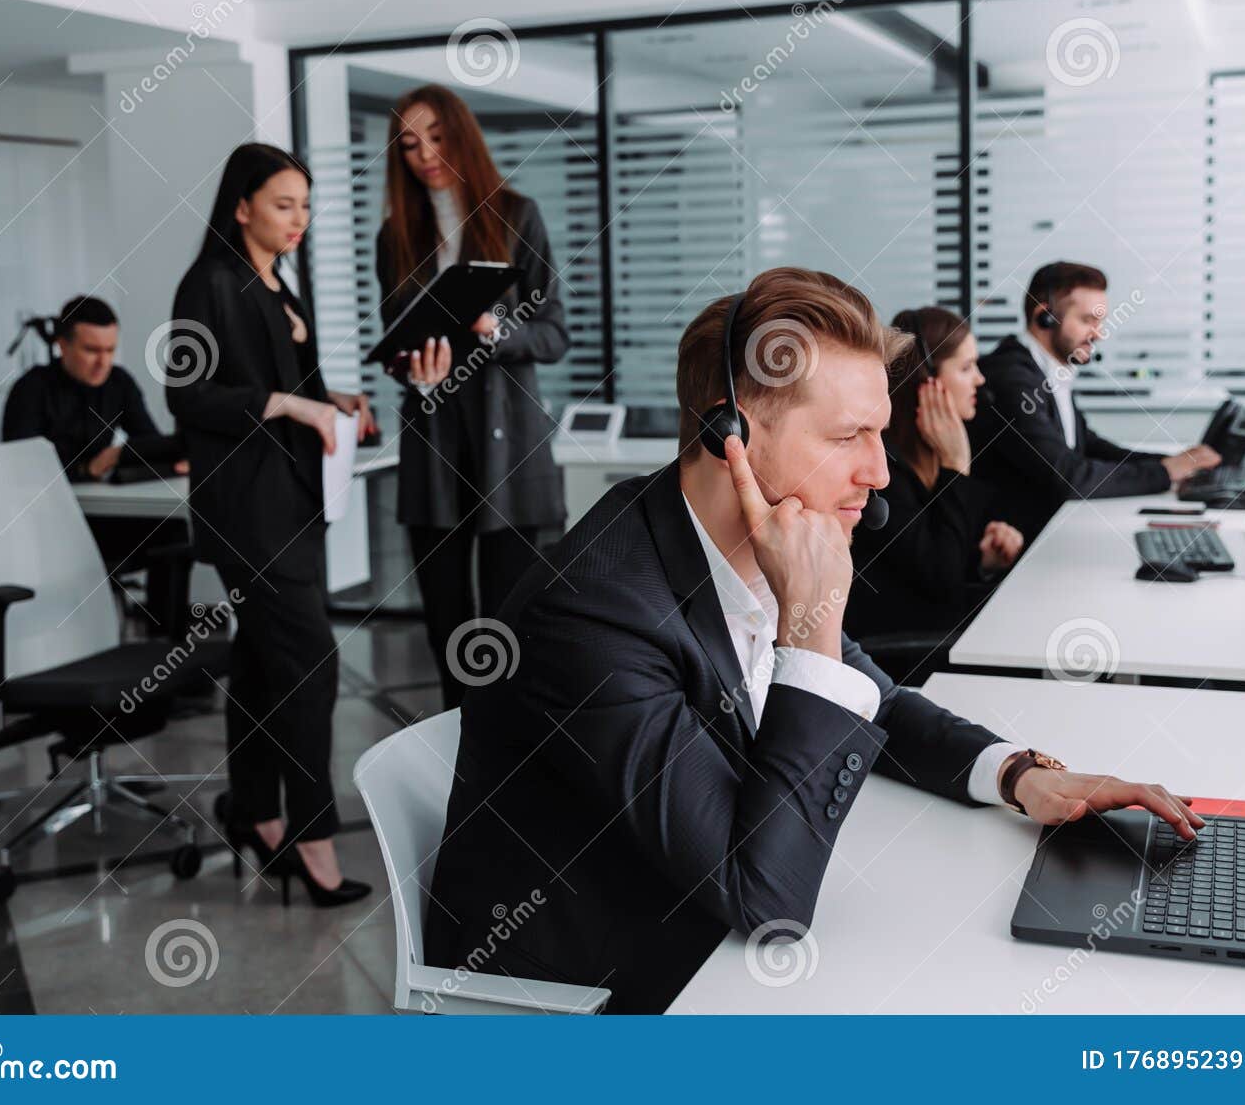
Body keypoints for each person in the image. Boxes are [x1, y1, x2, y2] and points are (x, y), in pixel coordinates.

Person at [423, 267, 1205, 1013]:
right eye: (849, 436)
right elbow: (764, 897)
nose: (880, 472)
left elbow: (872, 697)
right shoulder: (592, 611)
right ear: (729, 432)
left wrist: (1019, 774)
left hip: (693, 907)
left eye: (882, 434)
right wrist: (814, 621)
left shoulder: (743, 537)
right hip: (595, 980)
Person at [167, 143, 377, 908]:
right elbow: (186, 398)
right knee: (313, 662)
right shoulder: (210, 284)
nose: (300, 219)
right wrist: (288, 405)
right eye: (284, 204)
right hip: (248, 516)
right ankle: (309, 836)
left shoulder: (278, 281)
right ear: (241, 206)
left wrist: (339, 401)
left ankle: (255, 814)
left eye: (306, 205)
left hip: (293, 505)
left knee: (261, 669)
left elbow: (300, 382)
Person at [374, 83, 568, 710]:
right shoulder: (395, 237)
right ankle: (458, 751)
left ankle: (512, 756)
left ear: (463, 136)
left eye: (436, 136)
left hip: (507, 440)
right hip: (433, 439)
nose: (424, 153)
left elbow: (555, 333)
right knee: (447, 617)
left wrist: (497, 331)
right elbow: (396, 342)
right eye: (408, 144)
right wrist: (413, 369)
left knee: (513, 621)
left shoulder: (517, 215)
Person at [968, 261, 1222, 539]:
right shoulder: (1011, 378)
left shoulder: (1048, 369)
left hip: (1051, 530)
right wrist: (1163, 472)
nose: (1098, 333)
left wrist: (1171, 462)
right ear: (1045, 316)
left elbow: (1086, 446)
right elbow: (1069, 476)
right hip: (1014, 547)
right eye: (1087, 320)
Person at [2, 294, 190, 636]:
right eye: (91, 351)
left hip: (102, 517)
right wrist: (86, 469)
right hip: (50, 524)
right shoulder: (31, 390)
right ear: (62, 345)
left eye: (110, 350)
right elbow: (21, 469)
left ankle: (166, 650)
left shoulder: (119, 382)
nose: (103, 362)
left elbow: (150, 438)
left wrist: (129, 454)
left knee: (174, 530)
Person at [845, 307, 1023, 643]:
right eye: (967, 367)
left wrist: (983, 560)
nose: (980, 379)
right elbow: (940, 583)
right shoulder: (882, 474)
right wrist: (955, 467)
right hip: (902, 655)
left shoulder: (933, 458)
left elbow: (932, 562)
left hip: (941, 632)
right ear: (927, 383)